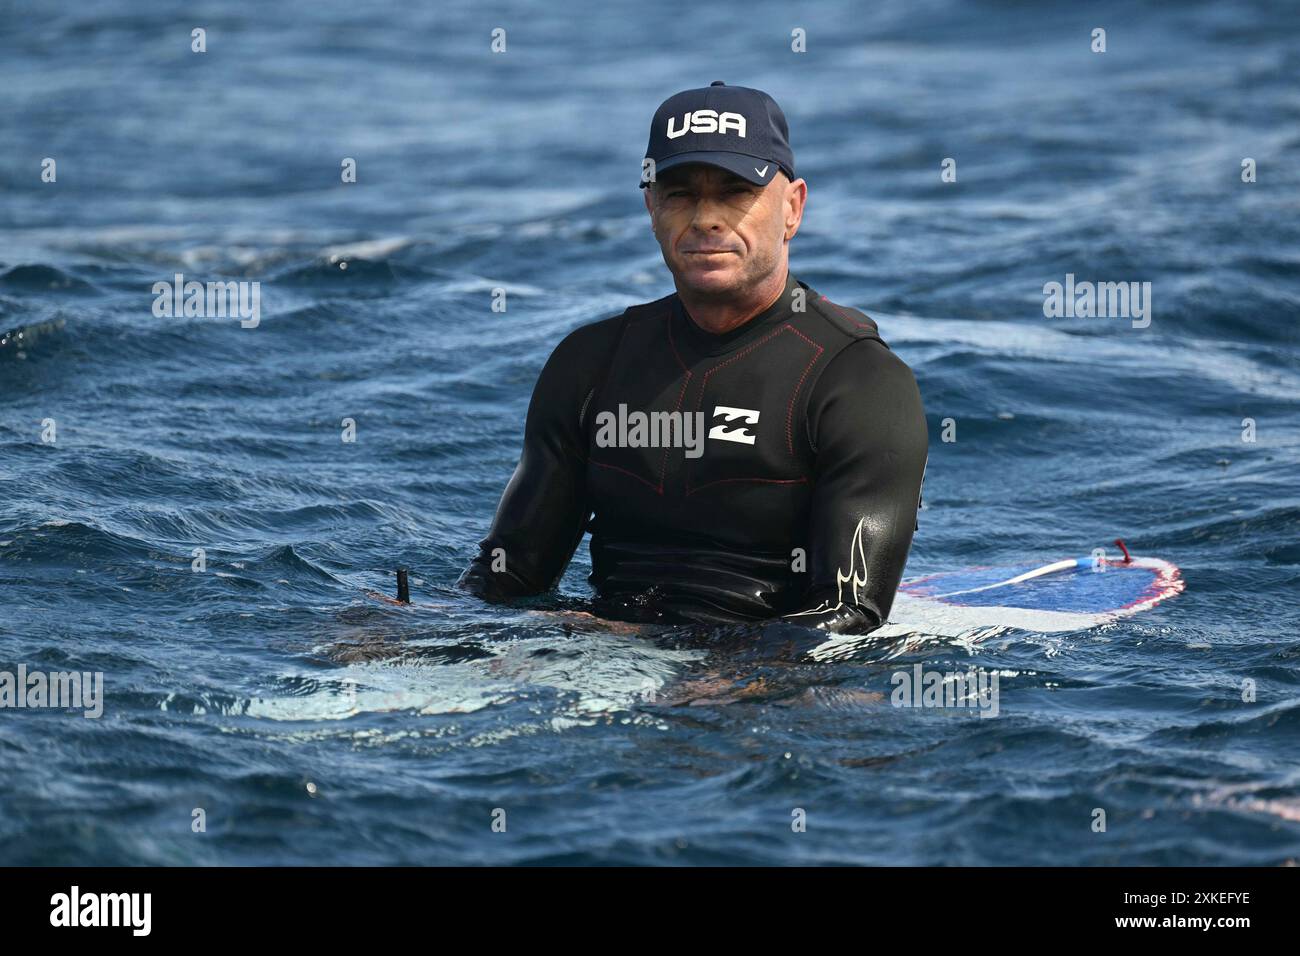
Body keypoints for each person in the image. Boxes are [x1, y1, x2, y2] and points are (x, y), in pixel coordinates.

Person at [458, 81, 928, 636]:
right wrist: (426, 627)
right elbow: (510, 578)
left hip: (764, 685)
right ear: (651, 207)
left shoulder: (858, 379)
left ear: (793, 208)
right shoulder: (590, 364)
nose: (705, 217)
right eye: (680, 193)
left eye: (734, 192)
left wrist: (697, 663)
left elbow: (848, 616)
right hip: (596, 656)